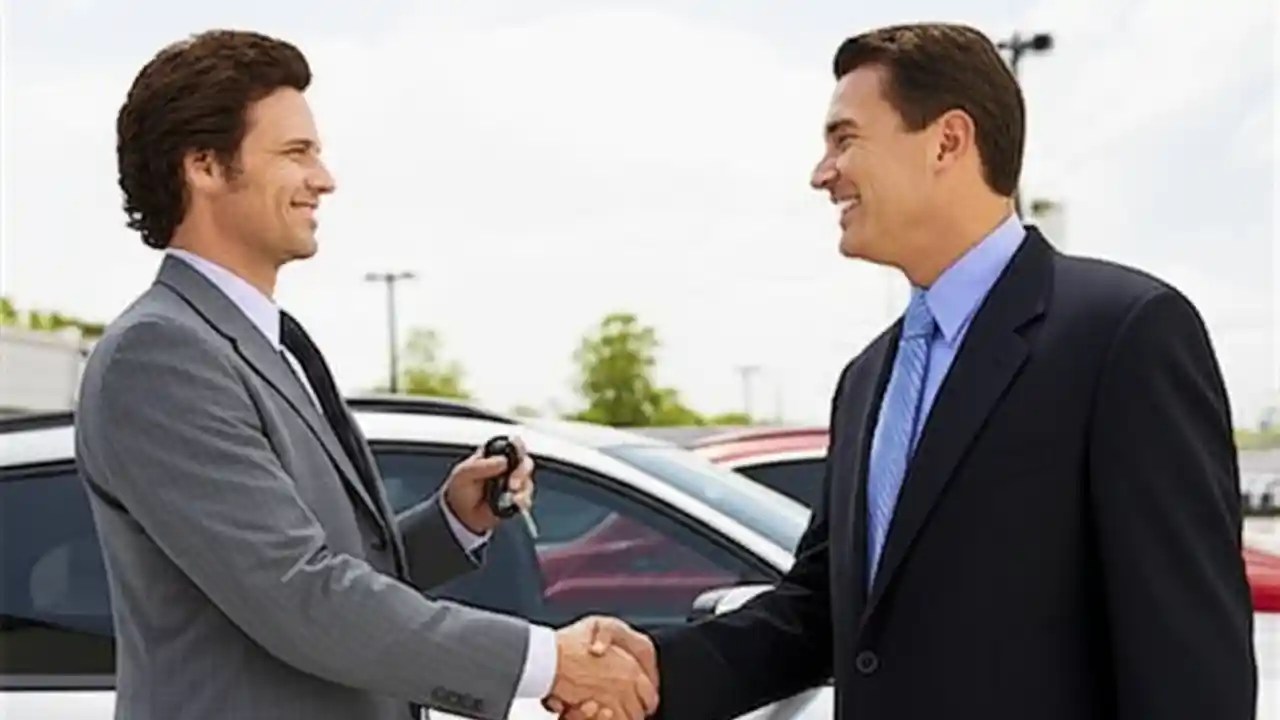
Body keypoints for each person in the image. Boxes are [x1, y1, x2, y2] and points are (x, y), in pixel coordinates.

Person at [554, 21, 1258, 720]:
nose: (822, 173)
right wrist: (661, 669)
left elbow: (1189, 664)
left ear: (947, 141)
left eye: (844, 139)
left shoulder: (1122, 336)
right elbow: (821, 611)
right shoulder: (867, 379)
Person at [74, 29, 656, 720]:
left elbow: (320, 574)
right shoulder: (160, 357)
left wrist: (451, 523)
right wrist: (548, 663)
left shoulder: (259, 341)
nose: (324, 179)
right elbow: (300, 596)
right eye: (296, 152)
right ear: (203, 165)